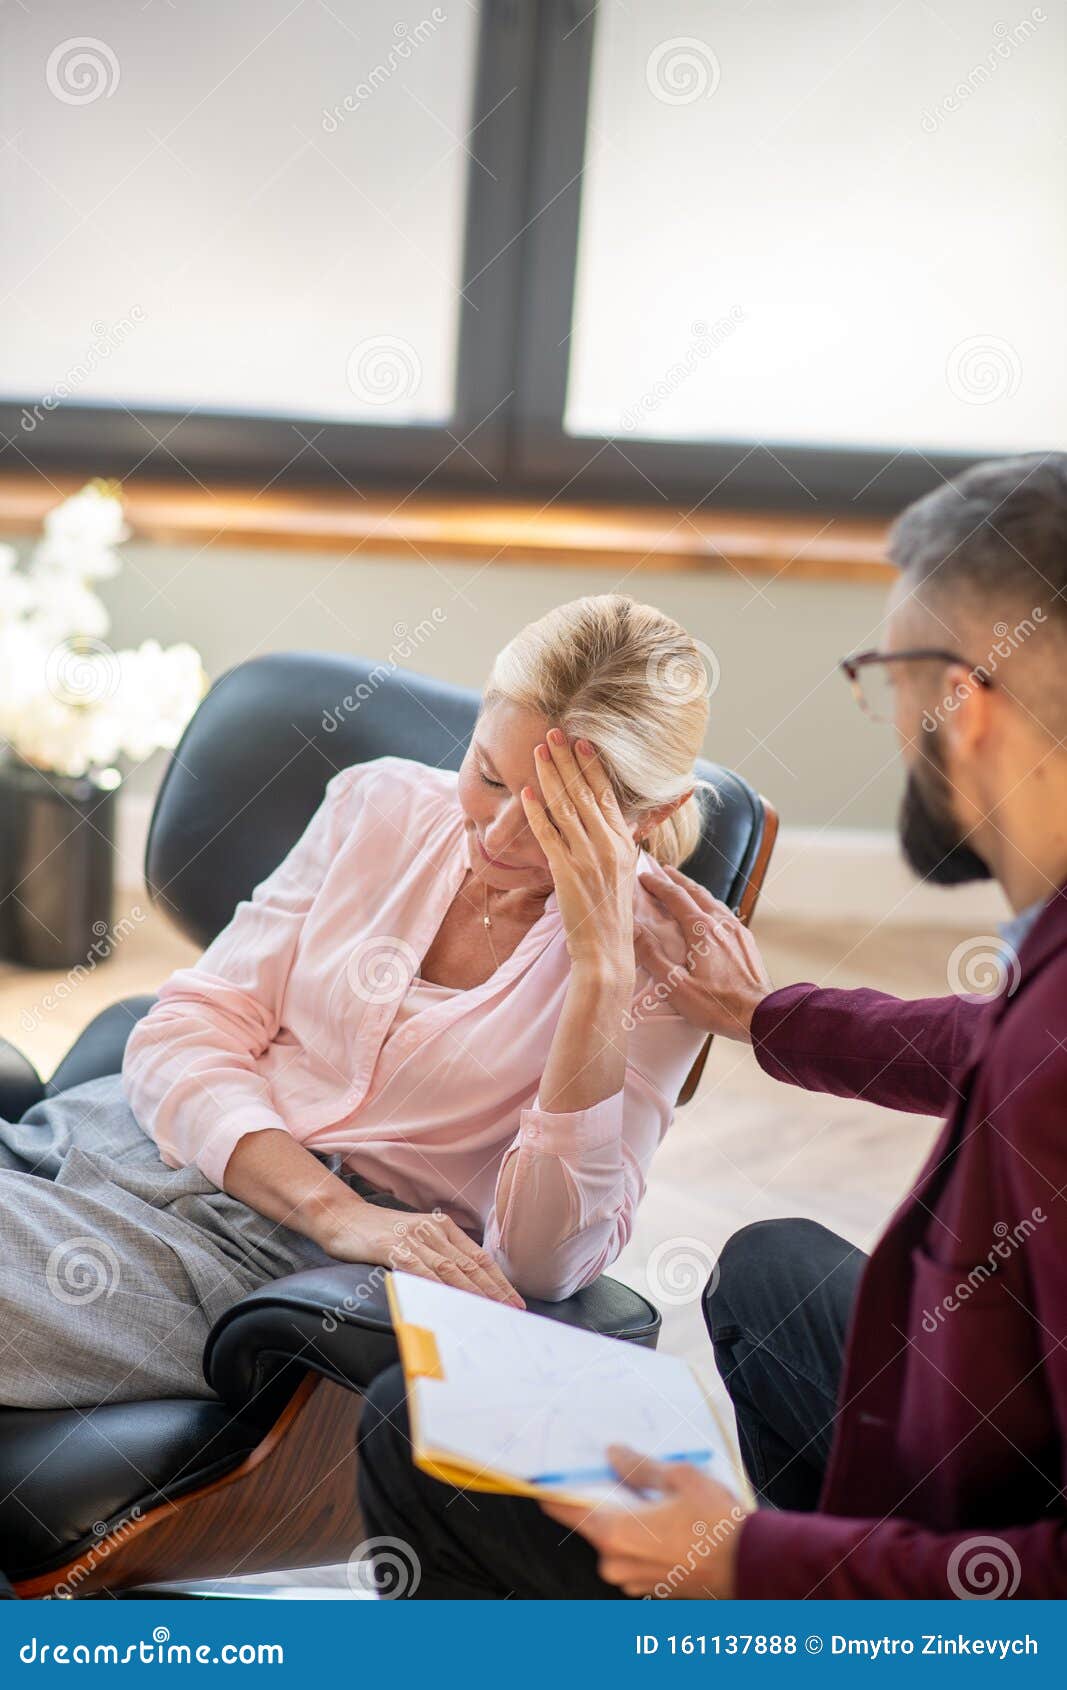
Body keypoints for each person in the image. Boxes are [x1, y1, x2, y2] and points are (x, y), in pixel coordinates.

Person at [357, 451, 1067, 1599]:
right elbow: (995, 1039)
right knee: (770, 1272)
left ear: (963, 705)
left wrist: (752, 1563)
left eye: (880, 675)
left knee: (419, 1437)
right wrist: (767, 1014)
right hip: (980, 1467)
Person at [0, 595, 711, 1410]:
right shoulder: (379, 804)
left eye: (555, 818)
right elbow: (183, 1033)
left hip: (260, 1262)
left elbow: (549, 1263)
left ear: (648, 815)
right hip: (128, 1138)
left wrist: (599, 975)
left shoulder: (665, 958)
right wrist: (331, 1207)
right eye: (487, 775)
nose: (500, 838)